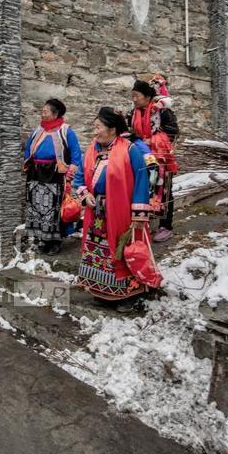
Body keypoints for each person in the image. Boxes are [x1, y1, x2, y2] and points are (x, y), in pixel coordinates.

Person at [74, 107, 153, 311]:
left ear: (112, 129)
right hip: (96, 210)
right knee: (99, 250)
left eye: (98, 127)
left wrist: (139, 215)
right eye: (95, 127)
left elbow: (141, 182)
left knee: (120, 249)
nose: (95, 132)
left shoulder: (130, 150)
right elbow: (79, 176)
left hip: (121, 211)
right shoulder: (92, 149)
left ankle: (127, 296)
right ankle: (101, 290)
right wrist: (85, 194)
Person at [22, 98, 82, 255]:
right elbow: (28, 148)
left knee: (54, 208)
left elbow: (76, 154)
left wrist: (70, 173)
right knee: (37, 207)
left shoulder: (66, 131)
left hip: (55, 174)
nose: (42, 114)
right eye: (42, 111)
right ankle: (42, 239)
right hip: (36, 173)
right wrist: (28, 162)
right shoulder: (38, 131)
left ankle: (55, 241)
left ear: (55, 114)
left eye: (45, 111)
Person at [128, 75, 179, 242]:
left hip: (160, 157)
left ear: (148, 97)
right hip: (141, 157)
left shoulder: (162, 111)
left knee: (163, 191)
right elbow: (130, 132)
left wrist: (152, 141)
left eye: (137, 95)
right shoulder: (133, 113)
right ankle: (145, 222)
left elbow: (173, 132)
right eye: (132, 95)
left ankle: (166, 225)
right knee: (143, 188)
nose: (134, 99)